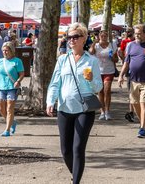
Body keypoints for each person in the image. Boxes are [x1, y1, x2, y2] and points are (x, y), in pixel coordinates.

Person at [47, 22, 102, 184]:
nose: (71, 40)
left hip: (84, 110)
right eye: (69, 37)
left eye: (75, 37)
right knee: (65, 150)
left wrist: (91, 80)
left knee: (78, 148)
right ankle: (75, 174)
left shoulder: (91, 61)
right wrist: (50, 101)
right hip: (64, 108)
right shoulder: (62, 60)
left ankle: (76, 181)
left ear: (84, 38)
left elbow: (98, 87)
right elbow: (55, 83)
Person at [0, 42, 24, 136]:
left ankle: (7, 130)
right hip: (1, 88)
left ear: (11, 50)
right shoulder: (0, 61)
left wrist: (18, 81)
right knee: (1, 108)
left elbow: (22, 74)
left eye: (6, 50)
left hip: (12, 88)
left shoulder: (17, 61)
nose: (4, 52)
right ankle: (12, 122)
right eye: (3, 50)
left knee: (10, 108)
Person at [92, 29, 118, 120]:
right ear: (99, 36)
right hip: (98, 71)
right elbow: (91, 52)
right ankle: (102, 111)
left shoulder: (112, 45)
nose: (103, 38)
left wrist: (112, 57)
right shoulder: (96, 45)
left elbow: (116, 60)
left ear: (107, 37)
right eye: (101, 36)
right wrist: (93, 43)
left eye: (105, 36)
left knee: (107, 90)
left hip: (109, 71)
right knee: (100, 91)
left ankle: (107, 111)